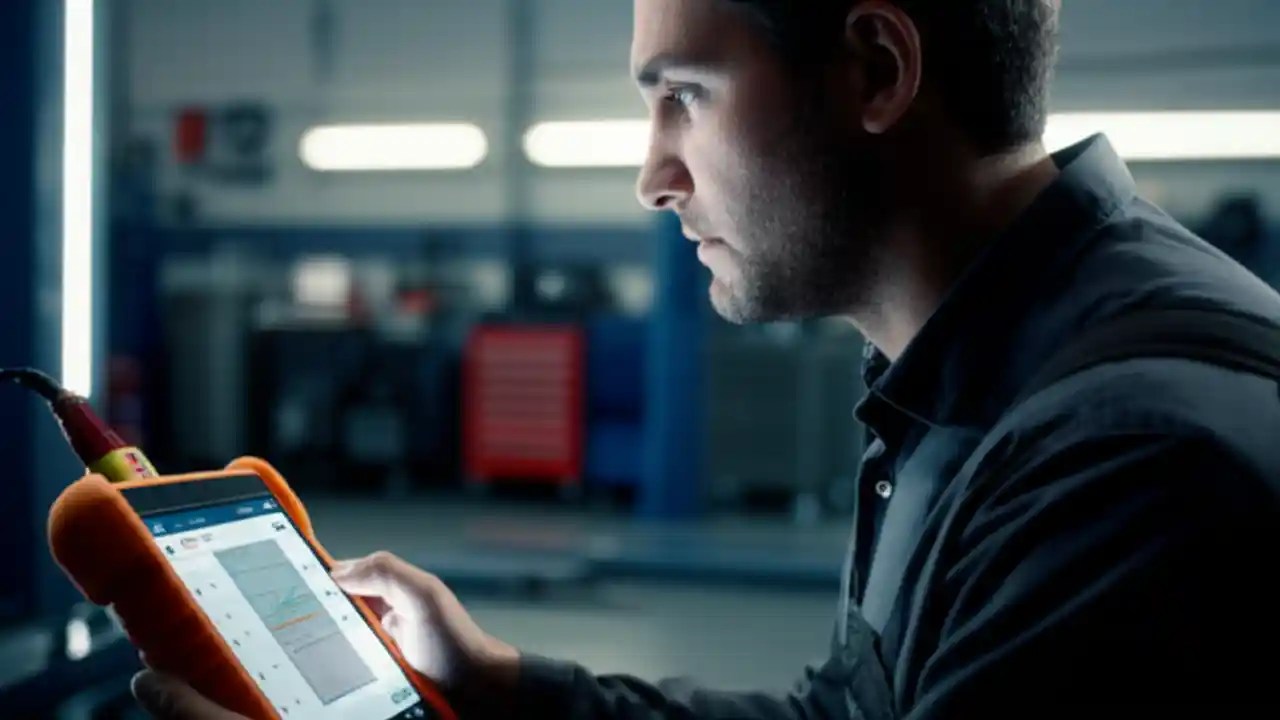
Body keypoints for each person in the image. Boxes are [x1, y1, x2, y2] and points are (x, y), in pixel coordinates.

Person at [134, 0, 1280, 717]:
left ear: (877, 70)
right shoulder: (989, 383)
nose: (652, 176)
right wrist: (506, 687)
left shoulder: (1123, 467)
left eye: (683, 95)